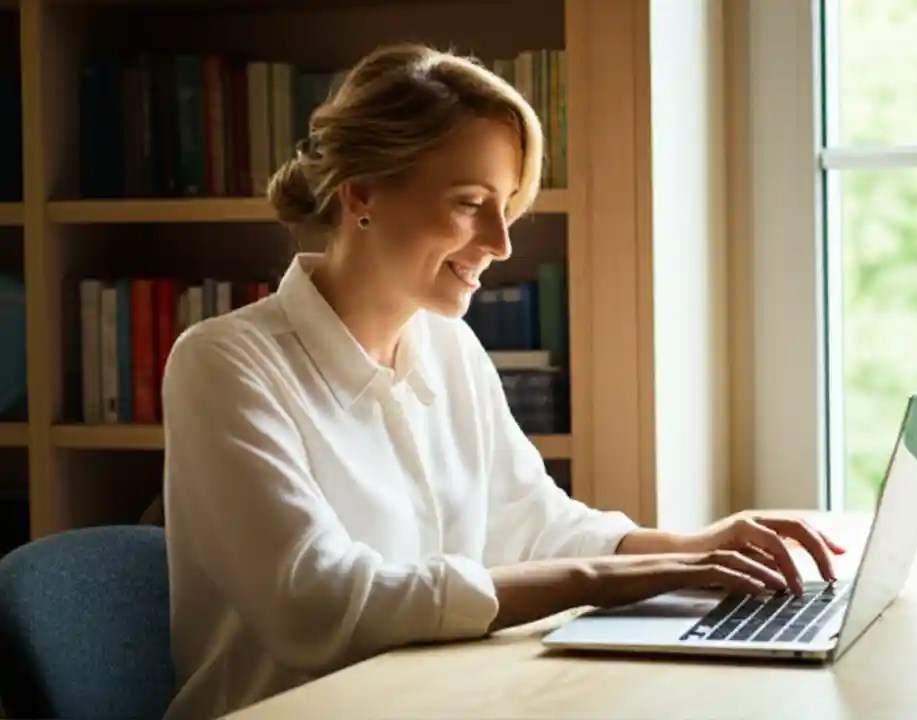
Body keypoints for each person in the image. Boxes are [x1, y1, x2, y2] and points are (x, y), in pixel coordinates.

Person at [161, 43, 844, 720]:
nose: (501, 241)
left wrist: (691, 547)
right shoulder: (224, 365)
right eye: (469, 203)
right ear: (361, 193)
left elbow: (535, 523)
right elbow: (317, 606)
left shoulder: (448, 346)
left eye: (507, 205)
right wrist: (603, 581)